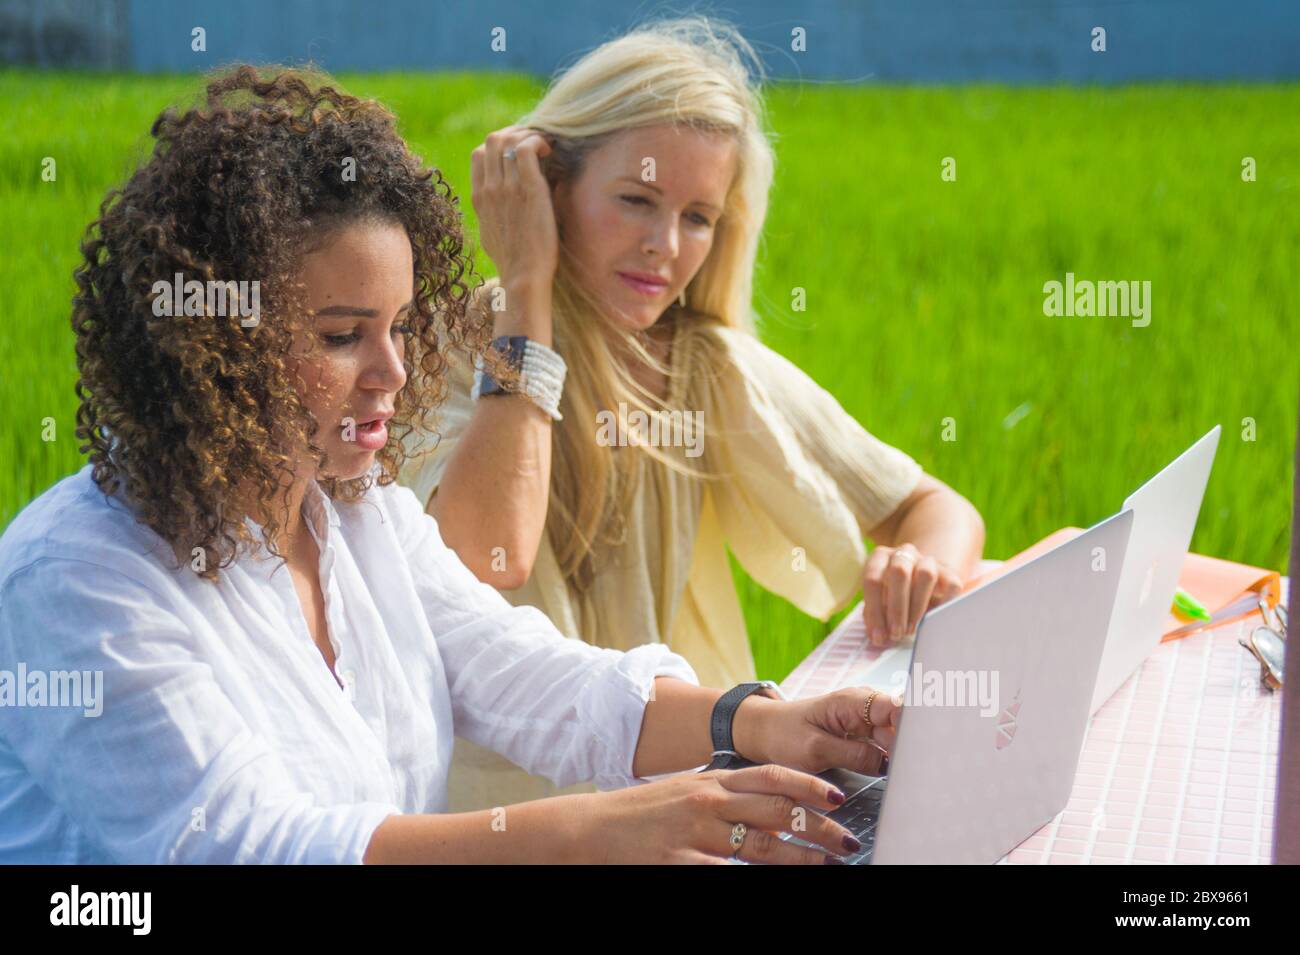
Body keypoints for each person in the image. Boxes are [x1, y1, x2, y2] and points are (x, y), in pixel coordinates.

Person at [0, 65, 900, 864]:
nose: (393, 373)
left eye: (396, 328)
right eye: (343, 336)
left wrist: (761, 722)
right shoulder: (81, 578)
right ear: (214, 339)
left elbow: (534, 677)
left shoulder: (355, 514)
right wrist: (613, 829)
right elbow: (258, 845)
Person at [399, 18, 986, 811]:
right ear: (546, 186)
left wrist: (922, 564)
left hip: (693, 795)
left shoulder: (701, 367)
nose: (665, 247)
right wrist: (525, 288)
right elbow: (485, 551)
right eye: (636, 200)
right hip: (515, 826)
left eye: (699, 217)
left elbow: (933, 507)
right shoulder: (450, 349)